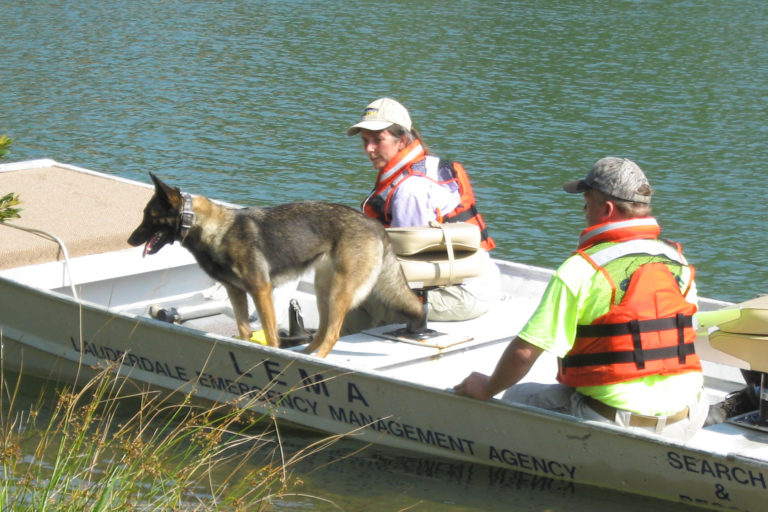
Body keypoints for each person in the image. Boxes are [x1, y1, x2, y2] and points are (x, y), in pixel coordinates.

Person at [454, 157, 708, 441]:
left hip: (616, 425)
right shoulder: (678, 262)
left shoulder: (582, 269)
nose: (584, 209)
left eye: (587, 201)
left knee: (516, 394)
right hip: (687, 418)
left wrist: (488, 387)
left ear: (607, 209)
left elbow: (525, 353)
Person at [347, 97, 500, 322]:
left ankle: (327, 351)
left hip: (462, 294)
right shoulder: (426, 166)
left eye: (378, 140)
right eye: (365, 140)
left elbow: (410, 266)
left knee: (356, 298)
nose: (369, 149)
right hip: (481, 282)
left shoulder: (410, 191)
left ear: (401, 141)